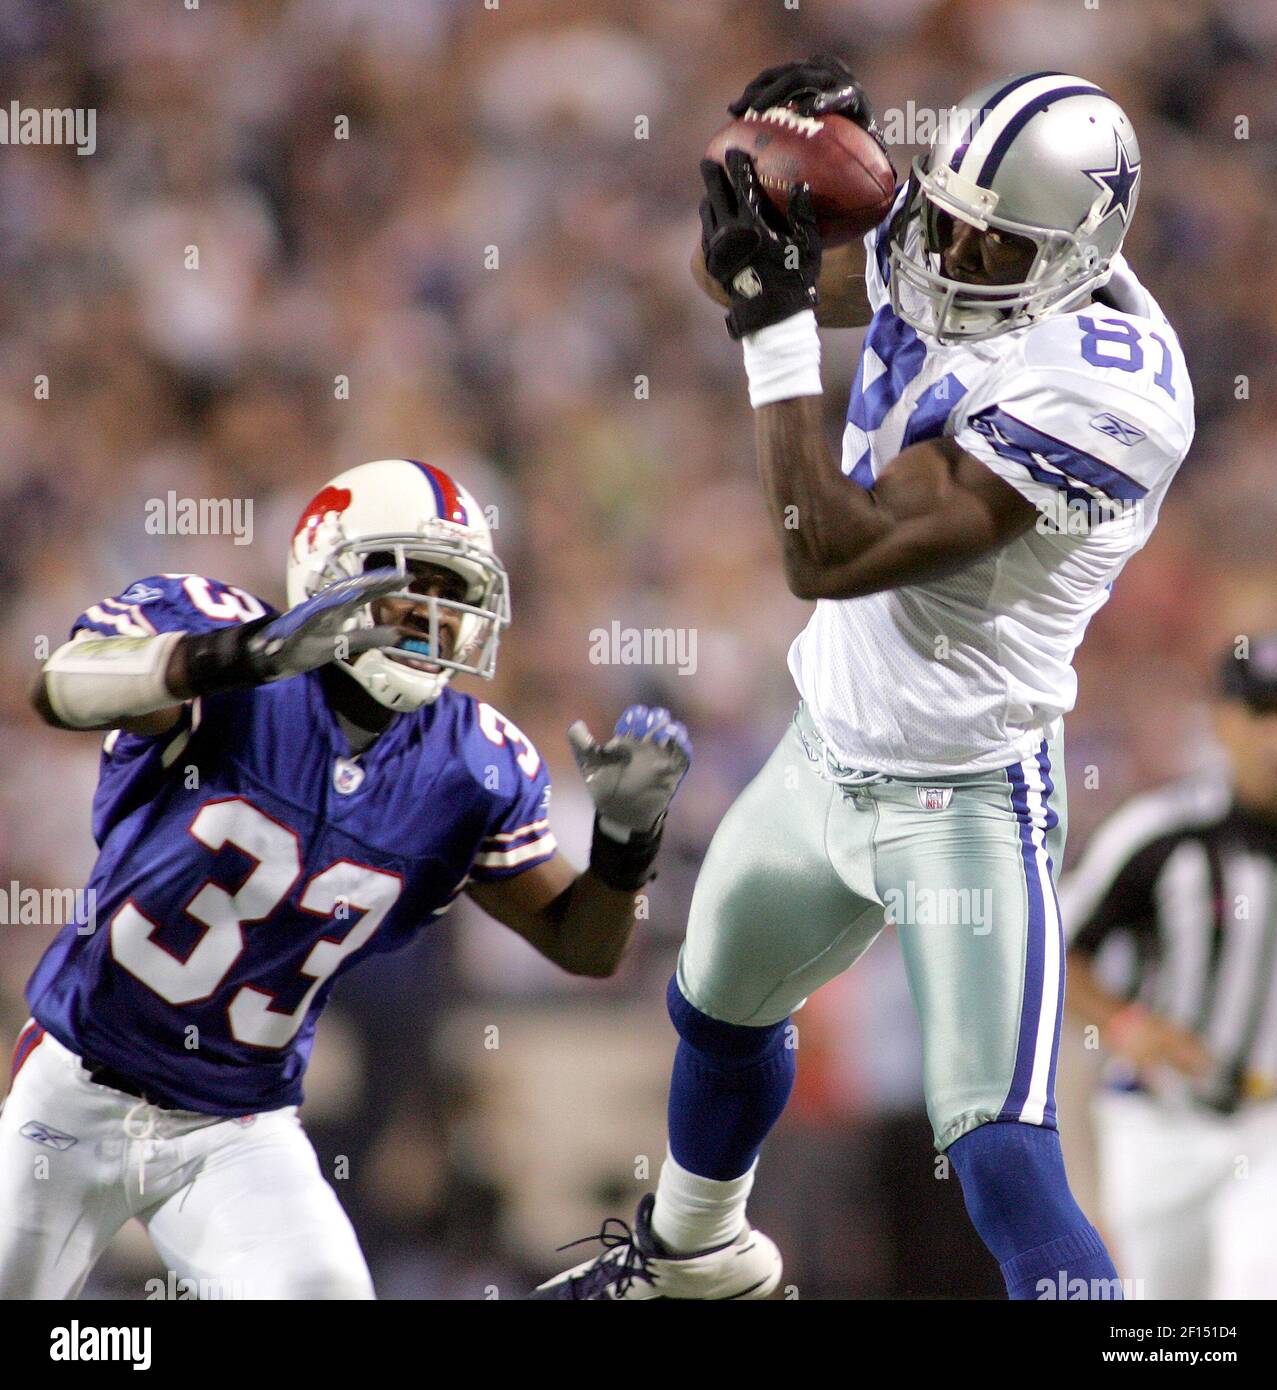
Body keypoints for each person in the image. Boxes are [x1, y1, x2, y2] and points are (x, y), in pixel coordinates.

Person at [534, 57, 1193, 1300]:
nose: (945, 257)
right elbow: (733, 270)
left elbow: (825, 551)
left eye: (987, 248)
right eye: (940, 218)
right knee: (715, 1008)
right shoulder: (961, 231)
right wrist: (769, 181)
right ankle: (694, 1262)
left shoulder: (1110, 389)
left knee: (1000, 1154)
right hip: (828, 743)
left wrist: (775, 329)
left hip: (964, 793)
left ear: (1068, 255)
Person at [0, 456, 691, 1300]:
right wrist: (243, 655)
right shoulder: (224, 655)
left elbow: (583, 947)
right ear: (334, 569)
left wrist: (625, 843)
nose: (439, 618)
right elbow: (61, 686)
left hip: (239, 1127)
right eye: (417, 583)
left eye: (458, 594)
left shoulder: (468, 765)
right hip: (76, 1088)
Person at [1063, 635, 1277, 1299]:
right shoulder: (1161, 835)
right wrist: (1125, 1024)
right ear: (1221, 721)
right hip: (1160, 1122)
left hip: (1273, 1123)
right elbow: (1057, 950)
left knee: (1260, 1279)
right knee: (1163, 1314)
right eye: (1262, 715)